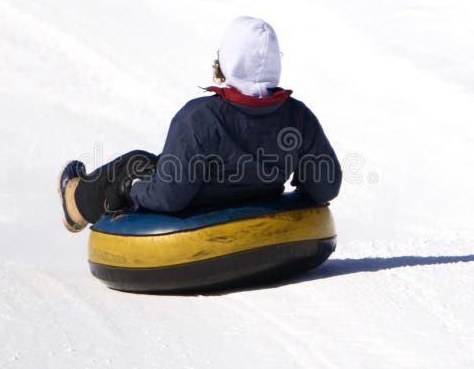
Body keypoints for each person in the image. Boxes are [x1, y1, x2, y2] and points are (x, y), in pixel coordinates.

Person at [58, 16, 341, 232]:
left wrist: (132, 188)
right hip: (260, 203)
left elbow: (170, 195)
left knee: (136, 164)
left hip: (196, 216)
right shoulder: (297, 116)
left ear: (226, 61)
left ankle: (75, 200)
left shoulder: (199, 118)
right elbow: (326, 185)